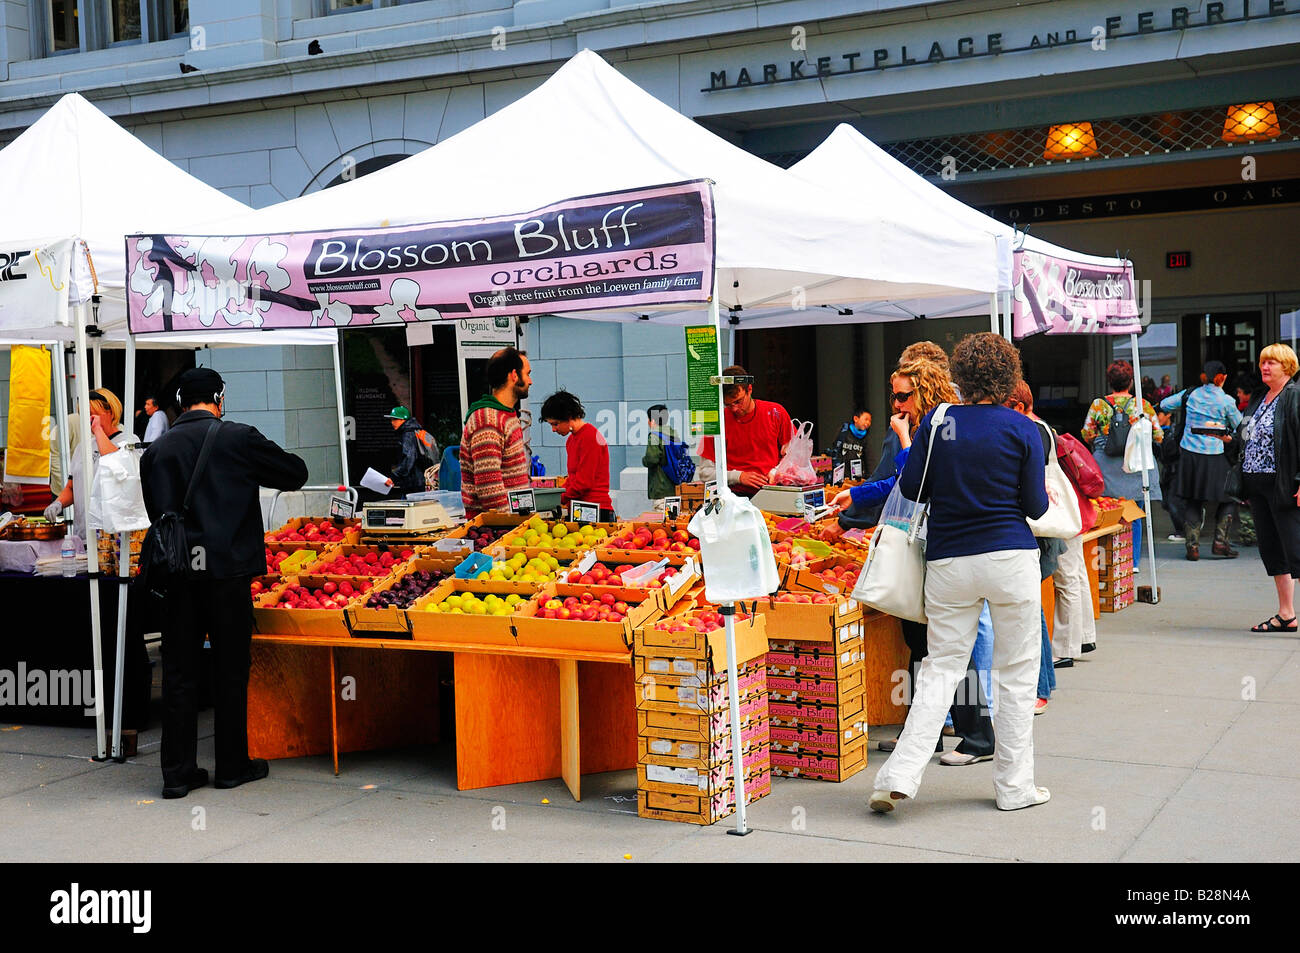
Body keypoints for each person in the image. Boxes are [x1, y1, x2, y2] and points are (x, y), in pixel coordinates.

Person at [870, 332, 1050, 815]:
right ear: (1008, 377)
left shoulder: (937, 421)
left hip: (949, 560)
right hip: (1010, 557)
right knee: (1015, 676)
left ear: (961, 378)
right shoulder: (1022, 429)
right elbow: (1035, 506)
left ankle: (899, 776)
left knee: (940, 670)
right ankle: (1014, 788)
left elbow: (912, 488)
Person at [140, 368, 308, 799]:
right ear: (219, 397)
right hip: (227, 572)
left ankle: (177, 774)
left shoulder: (156, 451)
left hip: (177, 574)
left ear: (180, 400)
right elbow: (295, 473)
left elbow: (157, 515)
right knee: (231, 670)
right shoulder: (238, 437)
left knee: (178, 672)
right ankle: (232, 765)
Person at [831, 350, 996, 767]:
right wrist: (857, 493)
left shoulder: (946, 425)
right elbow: (900, 481)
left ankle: (975, 734)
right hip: (929, 544)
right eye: (894, 397)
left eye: (903, 396)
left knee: (940, 644)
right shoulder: (927, 423)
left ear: (922, 393)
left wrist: (904, 440)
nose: (897, 406)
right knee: (923, 641)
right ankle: (929, 731)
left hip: (946, 546)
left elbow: (920, 481)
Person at [1005, 380, 1084, 680]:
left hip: (1038, 531)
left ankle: (1042, 680)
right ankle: (1044, 679)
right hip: (1039, 529)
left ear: (1020, 406)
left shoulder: (1031, 432)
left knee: (1032, 607)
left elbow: (1030, 491)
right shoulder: (1041, 429)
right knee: (1032, 605)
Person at [1081, 360, 1163, 572]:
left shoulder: (1099, 405)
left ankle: (1109, 561)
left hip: (1105, 466)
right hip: (1135, 466)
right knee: (1134, 514)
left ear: (1110, 381)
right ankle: (1132, 562)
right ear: (1131, 381)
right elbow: (1158, 436)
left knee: (1108, 515)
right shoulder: (1142, 405)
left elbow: (1086, 433)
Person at [1240, 344, 1300, 632]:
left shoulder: (1294, 396)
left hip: (1283, 484)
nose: (1265, 367)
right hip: (1257, 484)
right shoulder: (1260, 397)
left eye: (1272, 363)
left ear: (1287, 366)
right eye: (1264, 362)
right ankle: (1286, 614)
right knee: (1273, 550)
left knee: (1296, 549)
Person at [1160, 360, 1243, 560]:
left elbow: (1164, 405)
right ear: (1221, 378)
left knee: (1192, 500)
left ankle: (1193, 547)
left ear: (1203, 377)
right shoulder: (1226, 401)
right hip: (1215, 455)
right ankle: (1220, 543)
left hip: (1189, 456)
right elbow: (1239, 424)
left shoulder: (1190, 395)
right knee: (1229, 497)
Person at [44, 388, 131, 542]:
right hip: (83, 535)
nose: (90, 419)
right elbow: (72, 486)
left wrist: (98, 430)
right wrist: (57, 503)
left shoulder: (128, 441)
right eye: (85, 414)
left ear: (111, 412)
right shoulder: (82, 447)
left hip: (114, 537)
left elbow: (115, 462)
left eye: (94, 413)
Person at [697, 365, 793, 496]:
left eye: (738, 401)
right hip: (734, 497)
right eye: (728, 404)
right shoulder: (715, 423)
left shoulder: (776, 413)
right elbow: (705, 473)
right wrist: (738, 476)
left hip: (774, 492)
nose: (734, 408)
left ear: (749, 390)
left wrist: (775, 472)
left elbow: (795, 455)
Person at [460, 347, 532, 517]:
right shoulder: (488, 420)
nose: (530, 381)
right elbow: (489, 488)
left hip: (513, 525)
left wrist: (527, 518)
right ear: (514, 375)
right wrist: (514, 524)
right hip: (495, 530)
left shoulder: (506, 416)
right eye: (528, 373)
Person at [540, 390, 613, 520]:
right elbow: (573, 478)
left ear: (568, 416)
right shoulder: (571, 440)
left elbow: (584, 482)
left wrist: (559, 498)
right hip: (579, 508)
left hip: (596, 509)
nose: (553, 429)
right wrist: (556, 495)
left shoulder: (590, 436)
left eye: (555, 423)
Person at [383, 406, 438, 498]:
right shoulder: (415, 431)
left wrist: (394, 477)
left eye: (395, 419)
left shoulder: (408, 434)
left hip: (413, 485)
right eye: (391, 419)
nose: (392, 422)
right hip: (419, 482)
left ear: (403, 420)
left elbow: (409, 458)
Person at [1155, 407, 1188, 542]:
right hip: (1167, 470)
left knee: (1173, 501)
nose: (1156, 418)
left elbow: (1172, 451)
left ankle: (1183, 530)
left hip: (1178, 469)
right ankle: (1189, 523)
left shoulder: (1176, 431)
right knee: (1166, 502)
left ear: (1168, 415)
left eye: (1159, 414)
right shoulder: (1158, 433)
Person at [642, 404, 679, 502]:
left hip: (661, 488)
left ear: (653, 421)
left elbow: (651, 459)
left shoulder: (655, 436)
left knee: (661, 515)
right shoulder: (673, 434)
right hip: (676, 487)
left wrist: (644, 460)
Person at [830, 407, 872, 476]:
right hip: (841, 473)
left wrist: (870, 477)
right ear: (856, 419)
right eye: (866, 419)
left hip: (857, 475)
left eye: (870, 421)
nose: (868, 423)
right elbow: (835, 449)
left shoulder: (865, 438)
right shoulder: (843, 431)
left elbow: (869, 458)